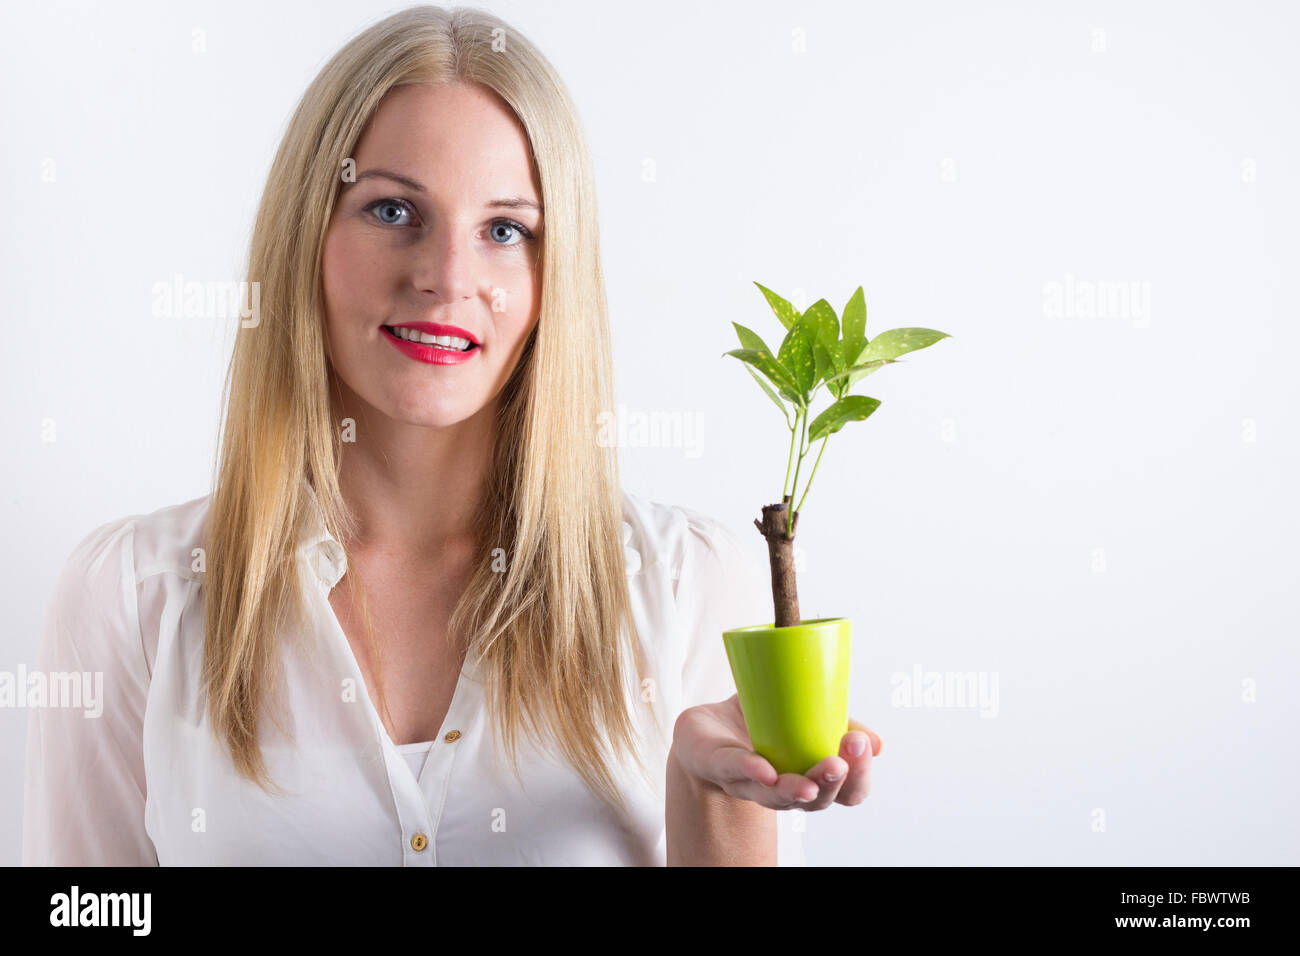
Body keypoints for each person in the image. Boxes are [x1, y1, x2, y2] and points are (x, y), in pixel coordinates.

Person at [22, 4, 880, 867]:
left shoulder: (690, 584)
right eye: (393, 210)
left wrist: (708, 800)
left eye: (505, 230)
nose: (446, 278)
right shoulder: (129, 599)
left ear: (554, 277)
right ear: (304, 238)